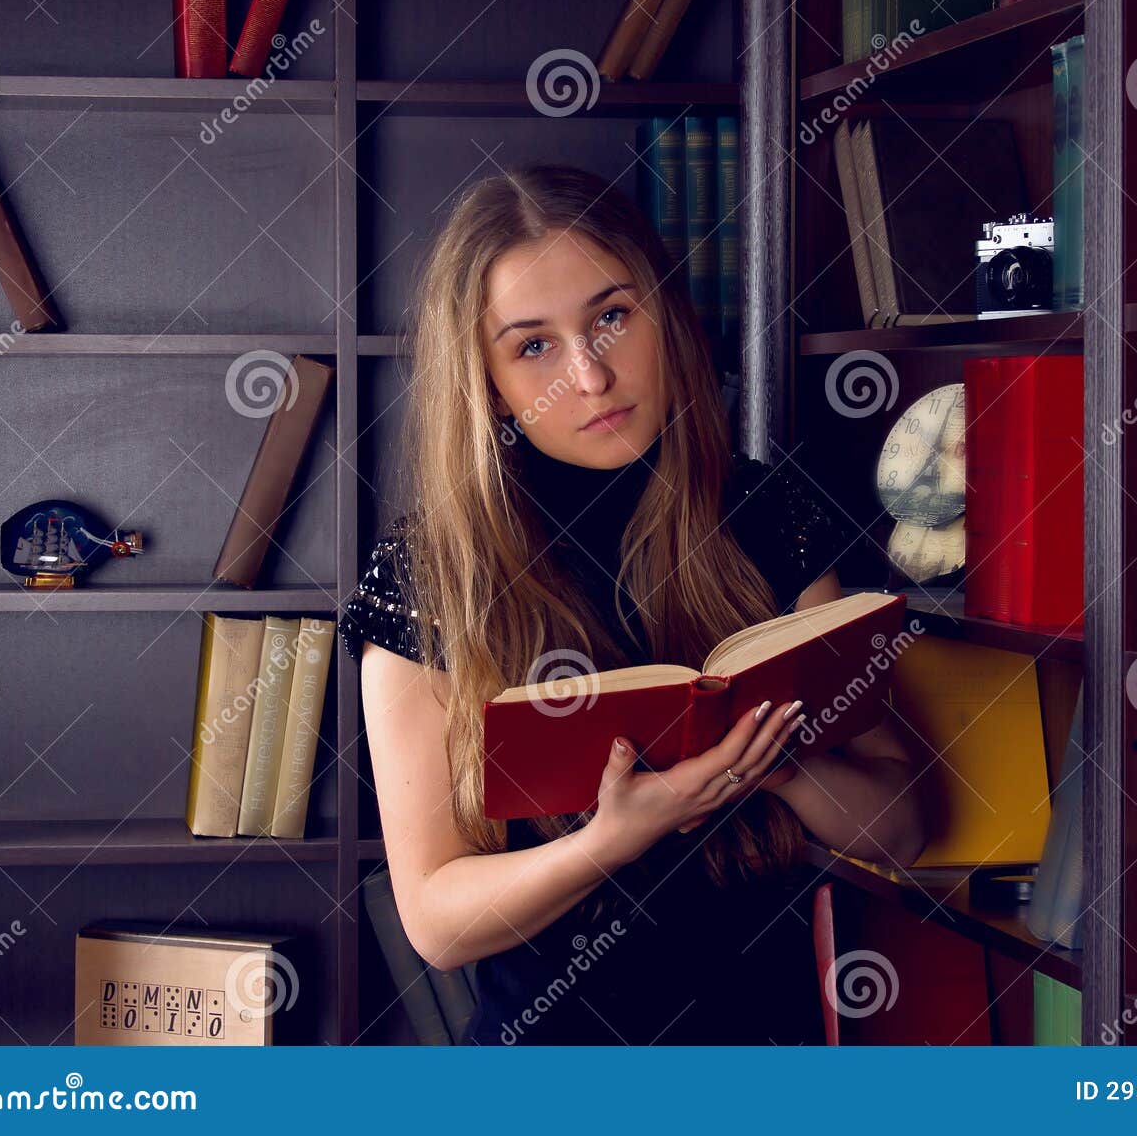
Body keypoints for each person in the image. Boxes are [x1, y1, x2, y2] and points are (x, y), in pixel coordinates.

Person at [337, 164, 928, 1045]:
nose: (591, 374)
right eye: (534, 345)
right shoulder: (431, 571)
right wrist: (610, 841)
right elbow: (434, 918)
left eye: (612, 316)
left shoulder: (768, 513)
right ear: (487, 380)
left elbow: (906, 824)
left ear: (665, 317)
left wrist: (765, 762)